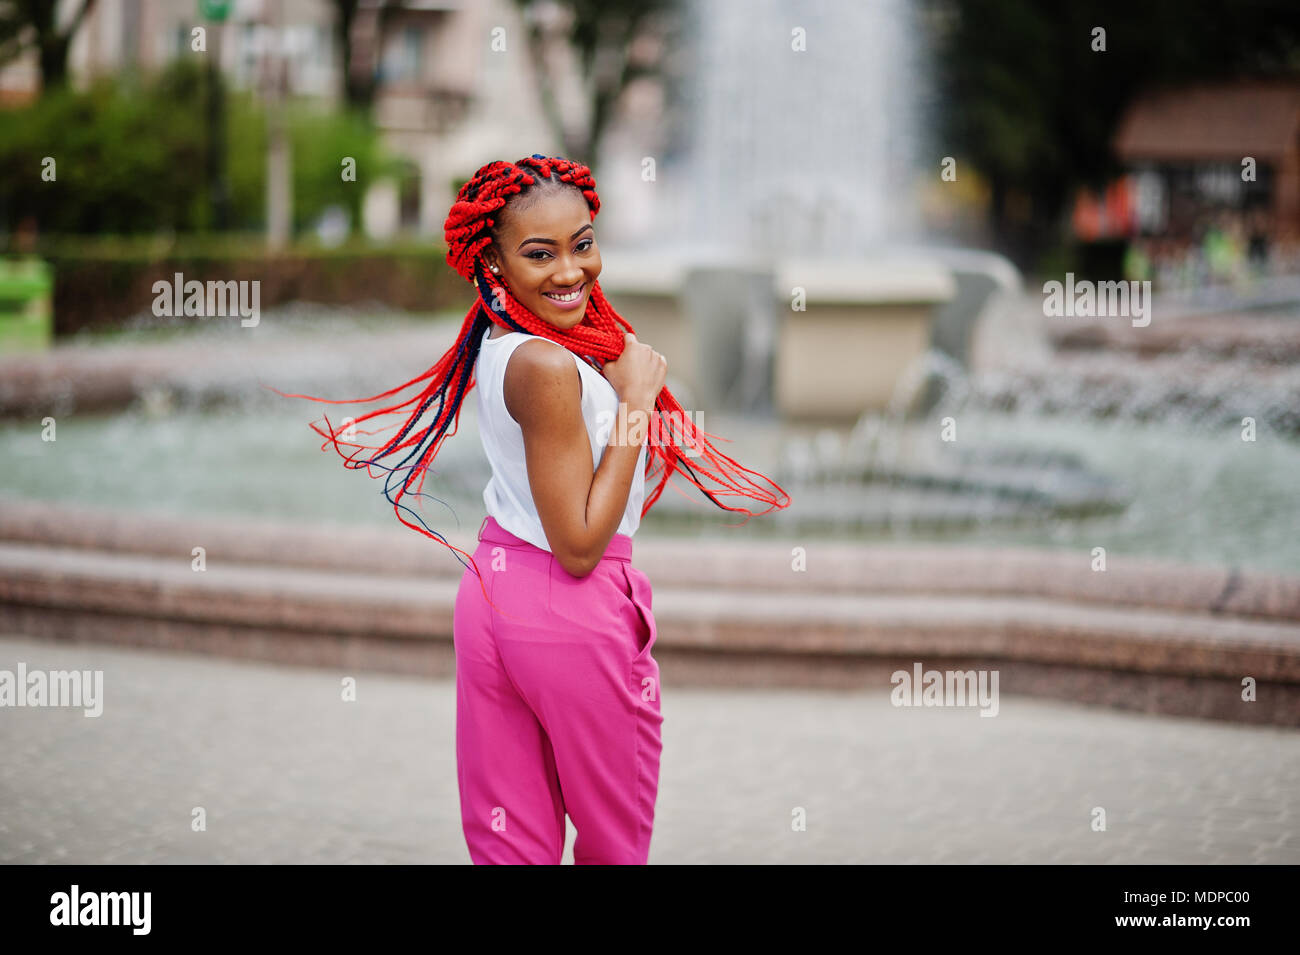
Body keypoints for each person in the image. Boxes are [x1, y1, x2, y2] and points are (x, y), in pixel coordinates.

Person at [274, 154, 789, 864]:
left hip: (494, 596)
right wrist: (636, 404)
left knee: (511, 848)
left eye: (582, 243)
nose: (571, 270)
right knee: (615, 846)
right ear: (493, 262)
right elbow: (578, 542)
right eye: (539, 253)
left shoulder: (507, 344)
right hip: (572, 606)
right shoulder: (547, 366)